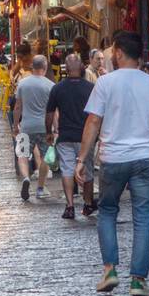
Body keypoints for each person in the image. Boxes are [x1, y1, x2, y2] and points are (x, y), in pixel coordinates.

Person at [75, 30, 149, 296]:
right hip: (145, 158)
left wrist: (82, 159)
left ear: (118, 53)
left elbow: (93, 122)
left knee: (107, 210)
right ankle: (138, 281)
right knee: (143, 218)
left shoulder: (105, 83)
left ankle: (110, 270)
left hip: (113, 158)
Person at [45, 53, 96, 220]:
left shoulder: (58, 88)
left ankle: (70, 206)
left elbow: (50, 113)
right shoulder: (90, 88)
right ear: (81, 67)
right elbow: (97, 114)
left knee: (67, 169)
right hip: (85, 137)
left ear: (66, 69)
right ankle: (88, 203)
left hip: (65, 136)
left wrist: (49, 132)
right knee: (87, 170)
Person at [13, 54, 54, 202]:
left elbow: (17, 107)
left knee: (22, 155)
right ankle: (41, 188)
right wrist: (55, 128)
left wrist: (15, 125)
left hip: (26, 126)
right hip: (44, 127)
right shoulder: (51, 85)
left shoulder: (23, 84)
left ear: (32, 67)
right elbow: (53, 111)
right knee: (47, 157)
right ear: (45, 68)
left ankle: (26, 178)